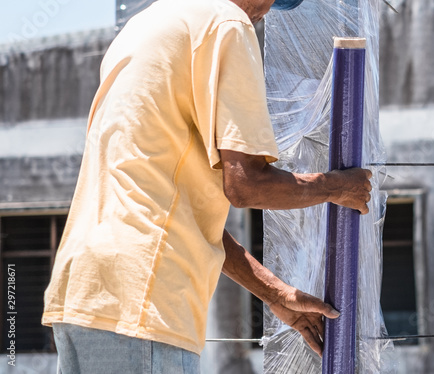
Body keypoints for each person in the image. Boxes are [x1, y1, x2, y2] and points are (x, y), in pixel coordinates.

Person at [40, 0, 367, 372]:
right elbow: (247, 185)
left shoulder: (146, 24)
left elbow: (179, 212)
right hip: (144, 303)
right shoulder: (227, 24)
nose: (265, 14)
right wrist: (338, 187)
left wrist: (273, 293)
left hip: (85, 291)